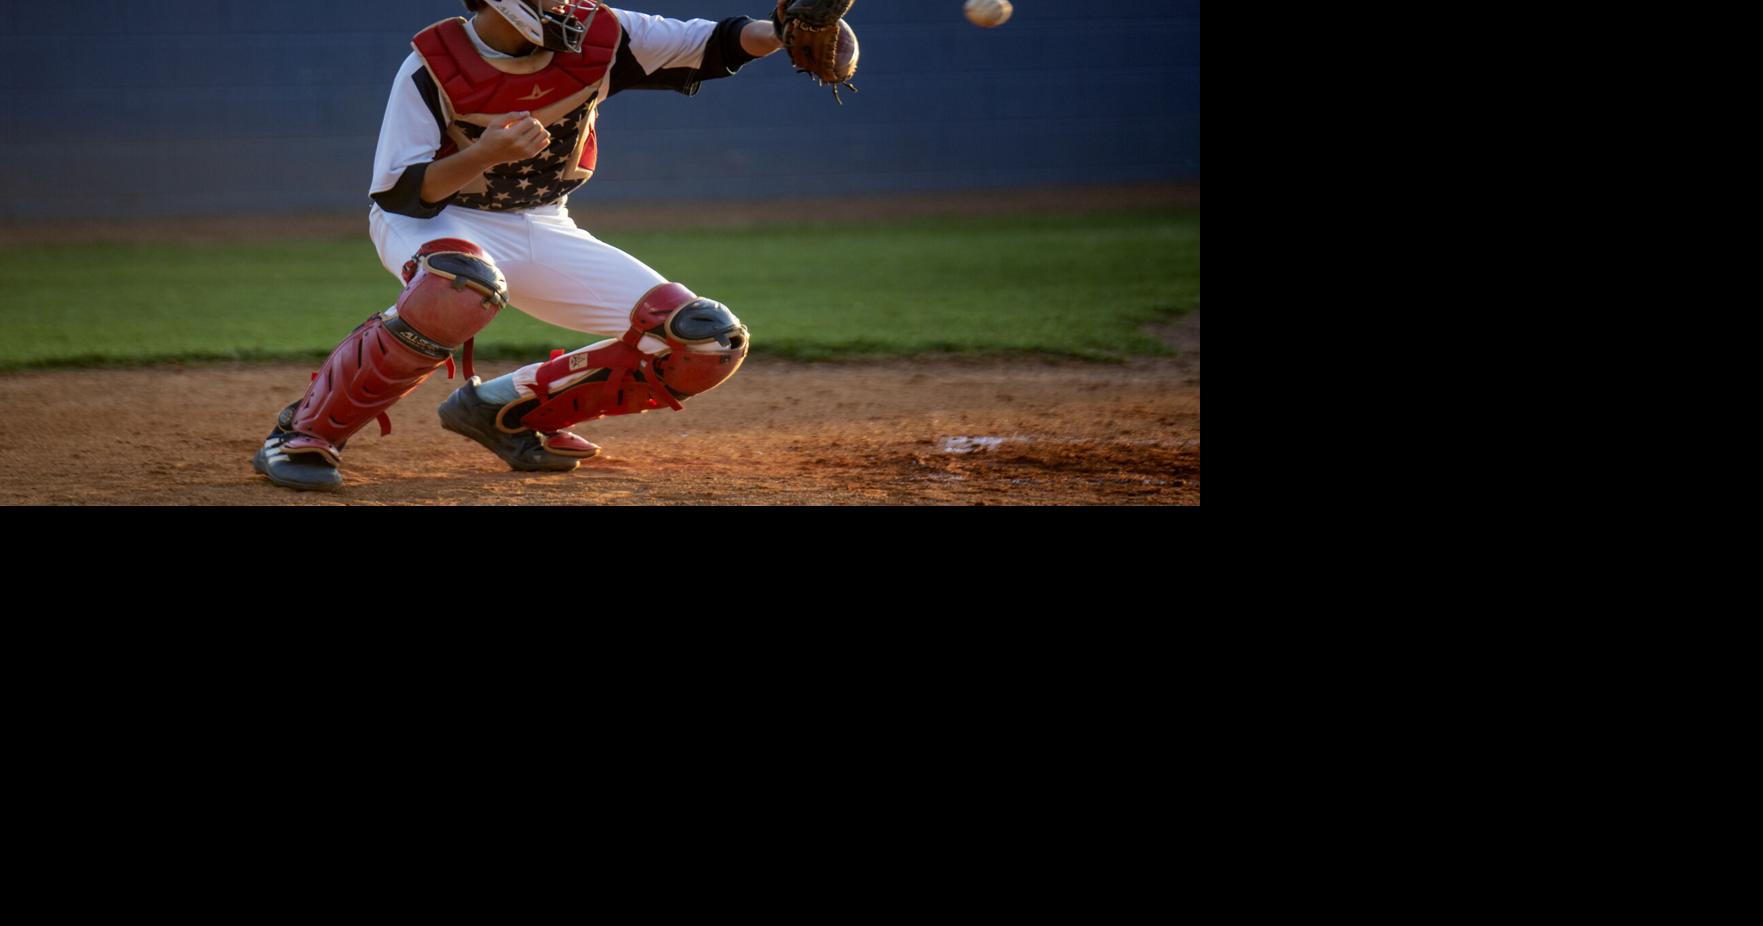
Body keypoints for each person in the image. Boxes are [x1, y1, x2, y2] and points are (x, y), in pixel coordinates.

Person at [252, 0, 786, 492]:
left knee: (703, 342)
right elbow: (402, 192)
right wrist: (485, 154)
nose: (566, 5)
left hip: (542, 222)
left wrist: (784, 30)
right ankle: (304, 433)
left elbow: (718, 42)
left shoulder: (603, 32)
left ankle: (504, 412)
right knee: (458, 289)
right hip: (437, 219)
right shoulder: (433, 63)